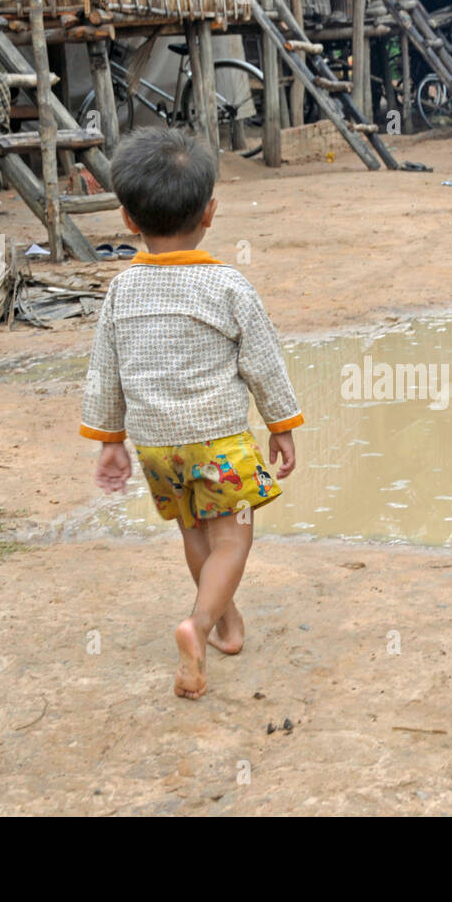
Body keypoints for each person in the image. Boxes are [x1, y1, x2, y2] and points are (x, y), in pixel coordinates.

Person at [80, 127, 303, 701]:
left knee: (194, 531)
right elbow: (264, 364)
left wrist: (111, 440)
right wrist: (282, 426)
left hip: (159, 448)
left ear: (128, 220)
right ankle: (198, 625)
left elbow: (106, 371)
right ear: (210, 212)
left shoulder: (122, 292)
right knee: (234, 537)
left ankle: (226, 624)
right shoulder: (227, 285)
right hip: (219, 442)